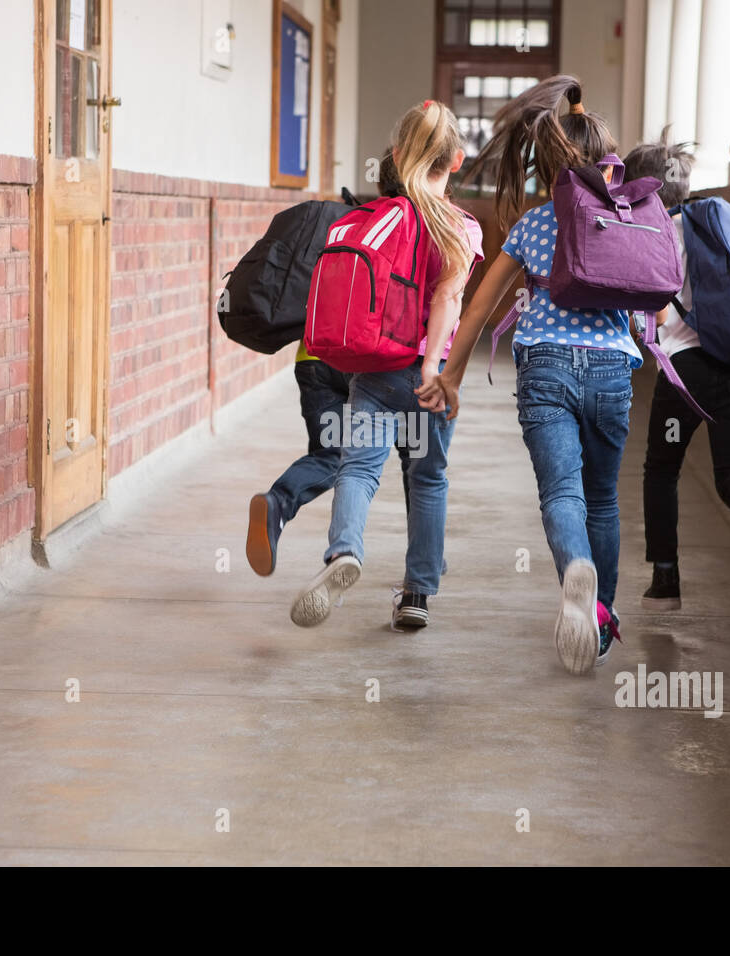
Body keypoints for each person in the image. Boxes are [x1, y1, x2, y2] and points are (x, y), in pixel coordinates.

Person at [417, 75, 636, 675]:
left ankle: (574, 570)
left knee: (561, 493)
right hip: (614, 369)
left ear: (545, 167)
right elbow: (657, 302)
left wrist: (450, 375)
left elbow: (480, 305)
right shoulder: (627, 219)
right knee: (603, 499)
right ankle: (601, 616)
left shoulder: (534, 226)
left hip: (544, 367)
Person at [290, 101, 483, 631]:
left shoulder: (380, 218)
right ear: (459, 160)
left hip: (375, 368)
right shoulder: (460, 228)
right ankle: (417, 593)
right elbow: (447, 301)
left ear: (396, 157)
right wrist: (431, 370)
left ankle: (344, 551)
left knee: (358, 468)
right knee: (427, 479)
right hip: (428, 377)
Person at [622, 133, 730, 611]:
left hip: (685, 374)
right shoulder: (716, 230)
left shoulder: (648, 241)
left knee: (661, 469)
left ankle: (666, 578)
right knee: (727, 477)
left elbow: (648, 320)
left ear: (640, 193)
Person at [246, 153, 422, 578]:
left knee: (332, 453)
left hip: (315, 357)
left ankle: (278, 502)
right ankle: (419, 574)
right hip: (373, 363)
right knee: (416, 460)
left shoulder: (340, 221)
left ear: (378, 185)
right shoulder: (410, 226)